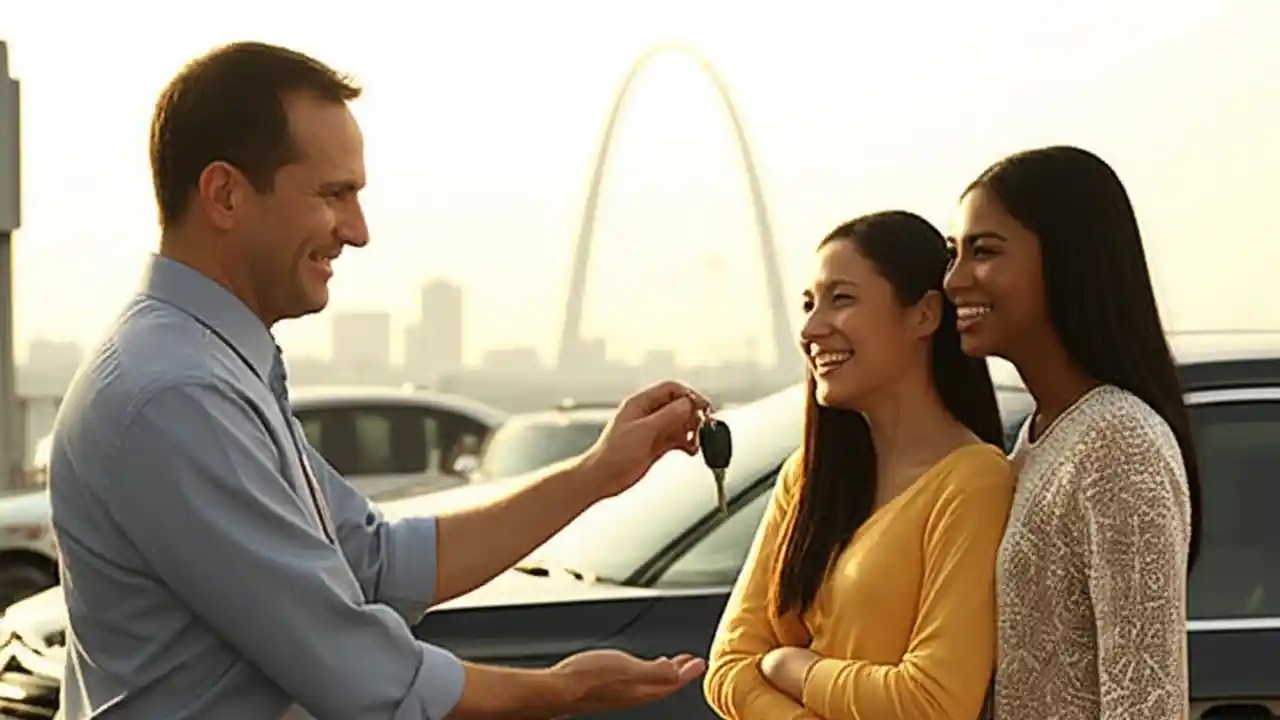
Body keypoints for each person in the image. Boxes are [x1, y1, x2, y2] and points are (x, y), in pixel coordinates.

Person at [47, 41, 709, 720]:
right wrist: (563, 691)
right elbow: (359, 671)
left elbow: (377, 562)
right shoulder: (178, 394)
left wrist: (598, 473)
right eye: (333, 194)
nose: (358, 232)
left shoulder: (202, 369)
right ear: (225, 195)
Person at [704, 210, 1015, 719]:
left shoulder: (974, 482)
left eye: (841, 299)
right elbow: (727, 669)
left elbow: (932, 703)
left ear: (924, 315)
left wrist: (792, 667)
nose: (811, 329)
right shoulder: (806, 477)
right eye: (809, 304)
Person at [943, 145, 1200, 720]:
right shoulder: (1039, 437)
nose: (954, 280)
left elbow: (1147, 705)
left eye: (984, 251)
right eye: (952, 254)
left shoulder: (1120, 445)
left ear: (1067, 259)